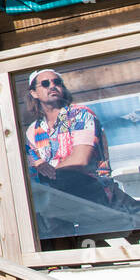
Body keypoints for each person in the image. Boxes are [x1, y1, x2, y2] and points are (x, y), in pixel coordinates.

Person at [24, 67, 131, 208]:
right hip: (57, 198)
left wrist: (48, 173)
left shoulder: (80, 115)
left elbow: (80, 161)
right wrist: (43, 172)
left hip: (95, 195)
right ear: (34, 93)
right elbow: (34, 168)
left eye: (57, 82)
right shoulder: (33, 130)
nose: (52, 86)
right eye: (45, 84)